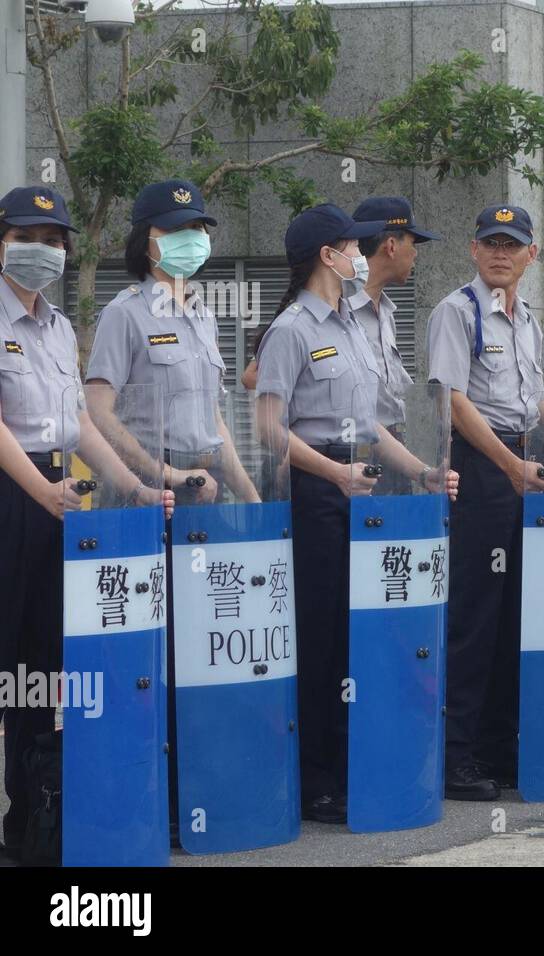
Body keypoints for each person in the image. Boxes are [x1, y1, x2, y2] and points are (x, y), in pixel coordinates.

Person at [255, 203, 457, 823]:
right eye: (351, 246)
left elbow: (369, 423)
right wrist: (334, 473)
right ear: (327, 255)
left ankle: (347, 765)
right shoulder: (291, 329)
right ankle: (313, 775)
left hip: (361, 482)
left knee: (358, 635)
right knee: (318, 635)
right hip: (317, 488)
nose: (359, 255)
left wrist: (420, 470)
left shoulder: (352, 325)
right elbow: (267, 426)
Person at [0, 186, 174, 858]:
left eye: (52, 239)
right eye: (26, 236)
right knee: (11, 657)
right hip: (16, 494)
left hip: (60, 498)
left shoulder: (60, 328)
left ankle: (34, 820)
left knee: (42, 665)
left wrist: (136, 485)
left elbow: (76, 425)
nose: (40, 250)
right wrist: (42, 494)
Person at [84, 179, 259, 843]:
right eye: (179, 228)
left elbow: (213, 418)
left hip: (203, 496)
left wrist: (248, 493)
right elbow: (97, 412)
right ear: (148, 240)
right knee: (143, 657)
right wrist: (162, 476)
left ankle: (194, 796)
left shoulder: (205, 315)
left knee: (200, 653)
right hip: (142, 497)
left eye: (201, 228)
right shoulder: (124, 314)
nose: (195, 240)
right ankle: (138, 802)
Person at [426, 205, 544, 800]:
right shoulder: (456, 312)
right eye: (491, 243)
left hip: (522, 461)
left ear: (531, 255)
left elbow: (536, 404)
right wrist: (508, 466)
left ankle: (496, 747)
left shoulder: (528, 320)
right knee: (473, 615)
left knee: (514, 613)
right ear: (473, 250)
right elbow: (452, 401)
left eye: (513, 244)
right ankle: (455, 755)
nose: (501, 253)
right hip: (482, 467)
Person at [349, 196, 437, 456]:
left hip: (391, 448)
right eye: (412, 242)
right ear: (390, 245)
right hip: (351, 451)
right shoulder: (336, 307)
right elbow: (256, 375)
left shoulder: (386, 311)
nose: (416, 253)